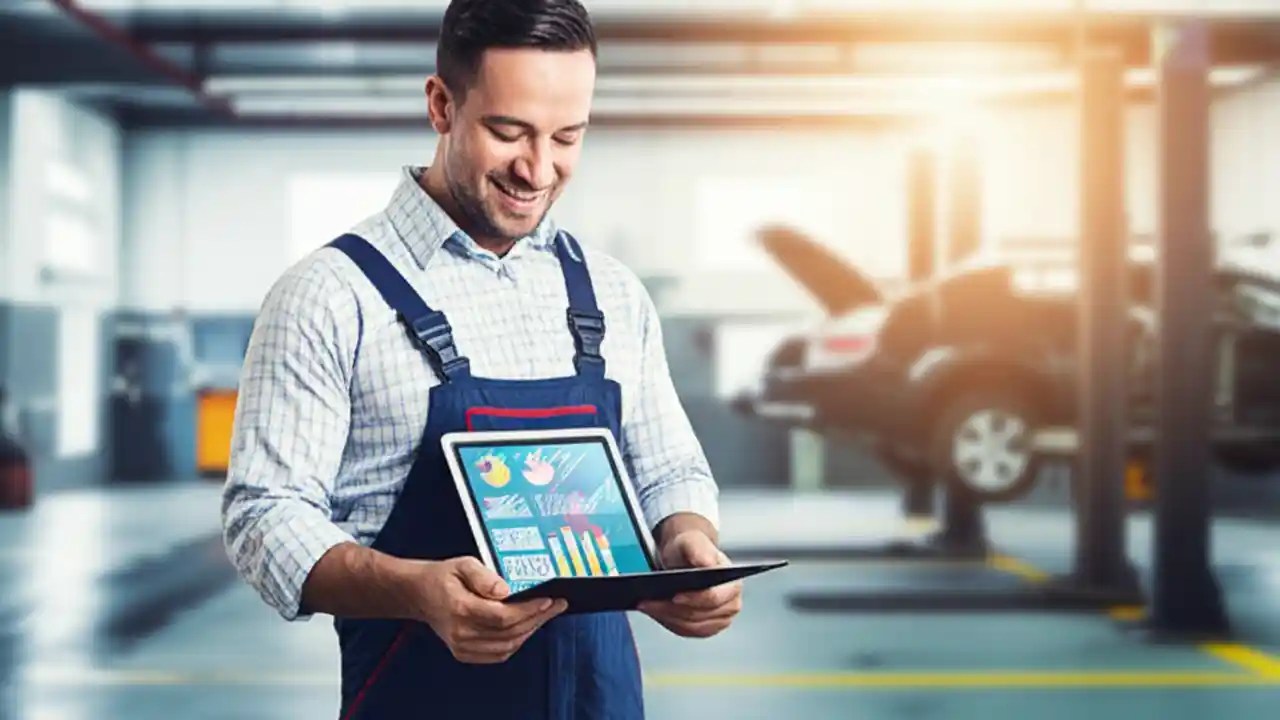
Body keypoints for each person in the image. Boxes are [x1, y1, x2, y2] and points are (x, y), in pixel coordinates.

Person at [220, 1, 741, 718]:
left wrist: (686, 539)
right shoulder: (330, 296)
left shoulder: (612, 293)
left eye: (567, 137)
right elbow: (265, 517)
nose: (538, 168)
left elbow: (668, 468)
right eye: (508, 132)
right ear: (441, 104)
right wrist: (415, 590)